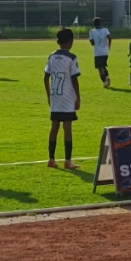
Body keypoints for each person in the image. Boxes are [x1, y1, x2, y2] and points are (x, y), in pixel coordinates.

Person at [44, 28, 81, 170]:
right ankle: (68, 160)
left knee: (54, 127)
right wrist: (78, 98)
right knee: (67, 128)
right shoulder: (71, 57)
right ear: (71, 42)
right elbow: (74, 79)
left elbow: (46, 77)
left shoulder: (51, 56)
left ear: (57, 41)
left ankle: (51, 159)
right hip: (66, 97)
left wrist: (49, 95)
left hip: (55, 96)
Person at [88, 17, 112, 88]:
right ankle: (106, 77)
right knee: (103, 66)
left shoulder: (92, 32)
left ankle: (105, 81)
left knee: (100, 68)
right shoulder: (105, 30)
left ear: (94, 24)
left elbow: (92, 43)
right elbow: (109, 38)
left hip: (98, 52)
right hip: (105, 51)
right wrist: (109, 46)